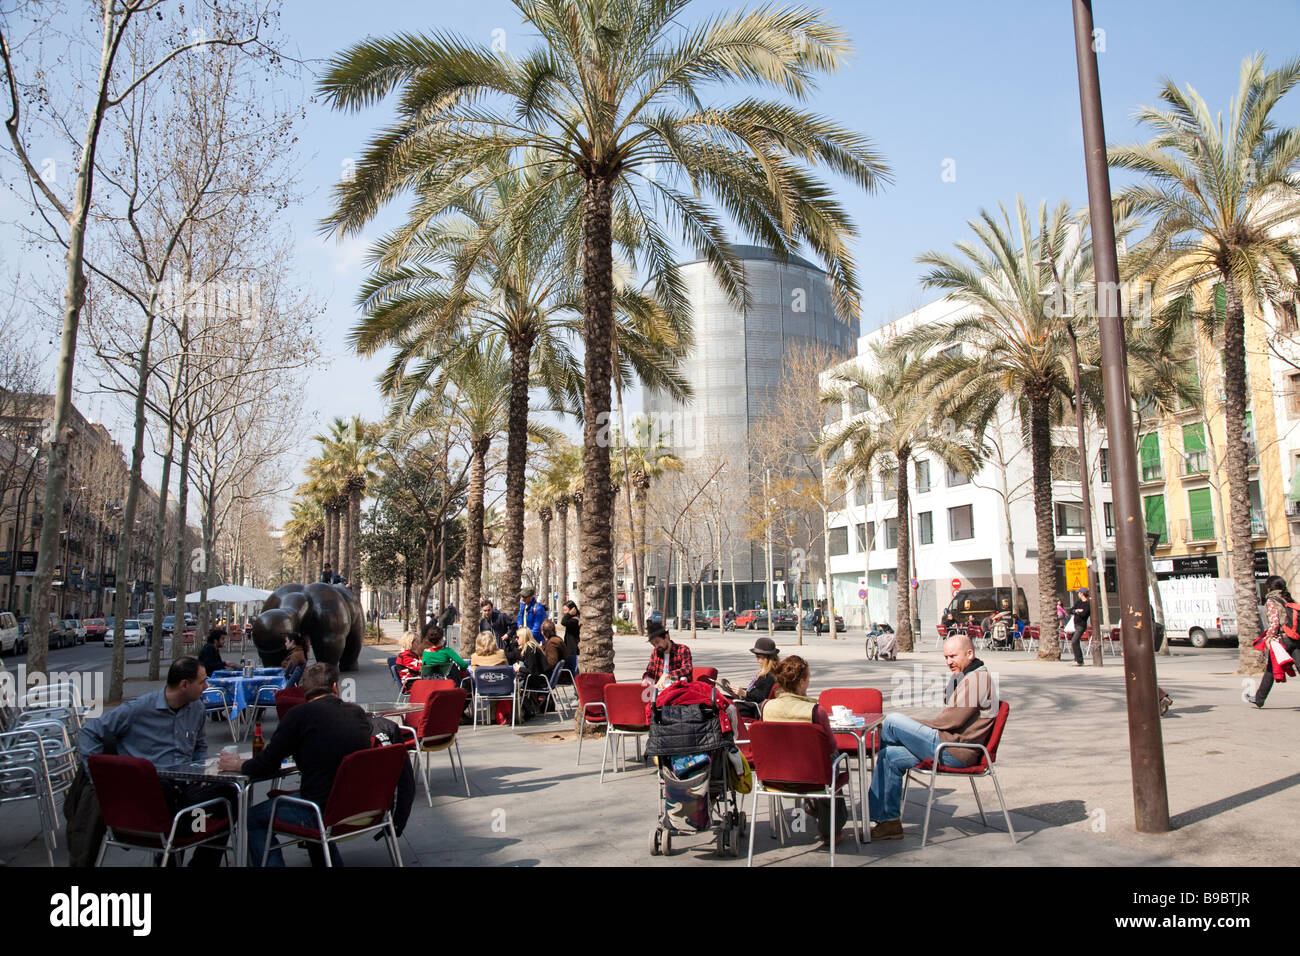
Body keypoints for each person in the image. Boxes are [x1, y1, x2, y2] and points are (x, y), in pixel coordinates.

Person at [79, 657, 233, 866]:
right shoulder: (138, 709)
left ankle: (201, 862)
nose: (206, 687)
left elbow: (200, 746)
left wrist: (202, 771)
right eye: (202, 682)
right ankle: (171, 850)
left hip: (186, 787)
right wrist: (98, 778)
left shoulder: (196, 709)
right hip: (150, 793)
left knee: (230, 792)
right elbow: (89, 732)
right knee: (164, 789)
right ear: (184, 685)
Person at [219, 663, 373, 866]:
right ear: (335, 687)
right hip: (361, 804)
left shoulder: (298, 716)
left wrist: (239, 764)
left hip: (320, 809)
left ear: (304, 692)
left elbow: (267, 763)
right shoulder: (356, 712)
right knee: (315, 792)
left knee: (250, 819)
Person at [867, 632, 996, 840]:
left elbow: (951, 720)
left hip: (954, 750)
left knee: (892, 723)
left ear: (969, 653)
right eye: (946, 657)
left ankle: (876, 808)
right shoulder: (968, 676)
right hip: (949, 744)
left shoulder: (978, 679)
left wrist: (914, 726)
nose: (949, 662)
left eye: (953, 656)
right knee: (889, 755)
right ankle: (888, 822)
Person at [760, 655, 846, 846]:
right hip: (812, 776)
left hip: (775, 777)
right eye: (808, 677)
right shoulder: (816, 711)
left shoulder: (766, 708)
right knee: (833, 761)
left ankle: (816, 808)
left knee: (823, 764)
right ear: (801, 682)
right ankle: (830, 830)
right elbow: (830, 746)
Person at [1247, 574, 1300, 708]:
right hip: (1294, 638)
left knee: (1271, 669)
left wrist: (1269, 637)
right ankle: (1259, 698)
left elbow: (1274, 622)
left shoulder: (1272, 601)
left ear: (1270, 587)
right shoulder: (1288, 598)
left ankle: (1259, 699)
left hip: (1282, 639)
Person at [718, 636, 780, 717]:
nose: (756, 659)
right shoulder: (765, 672)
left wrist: (744, 693)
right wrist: (738, 692)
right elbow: (755, 691)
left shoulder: (771, 675)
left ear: (767, 658)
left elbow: (763, 697)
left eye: (758, 656)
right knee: (720, 698)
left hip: (756, 709)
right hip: (752, 704)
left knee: (723, 705)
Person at [470, 631, 514, 725]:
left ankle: (493, 716)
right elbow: (506, 669)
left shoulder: (474, 657)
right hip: (502, 688)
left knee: (489, 683)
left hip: (483, 688)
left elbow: (475, 675)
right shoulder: (501, 654)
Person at [640, 621, 693, 690]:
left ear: (666, 636)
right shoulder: (655, 653)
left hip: (677, 690)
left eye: (657, 642)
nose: (656, 646)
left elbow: (687, 669)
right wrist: (647, 679)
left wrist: (668, 675)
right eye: (653, 644)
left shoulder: (683, 650)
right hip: (658, 690)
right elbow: (650, 672)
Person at [1066, 588, 1090, 666]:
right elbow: (1070, 610)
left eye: (1079, 593)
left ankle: (1079, 660)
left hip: (1081, 625)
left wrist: (1078, 612)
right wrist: (1076, 611)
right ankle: (1077, 659)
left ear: (1082, 593)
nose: (1078, 594)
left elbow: (1084, 614)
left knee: (1074, 640)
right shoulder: (1078, 602)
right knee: (1075, 641)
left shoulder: (1087, 604)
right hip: (1076, 624)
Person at [559, 600, 581, 674]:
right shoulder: (572, 619)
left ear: (572, 609)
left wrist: (569, 614)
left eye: (566, 610)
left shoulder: (575, 620)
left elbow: (563, 622)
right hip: (570, 649)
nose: (565, 612)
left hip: (574, 650)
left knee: (575, 671)